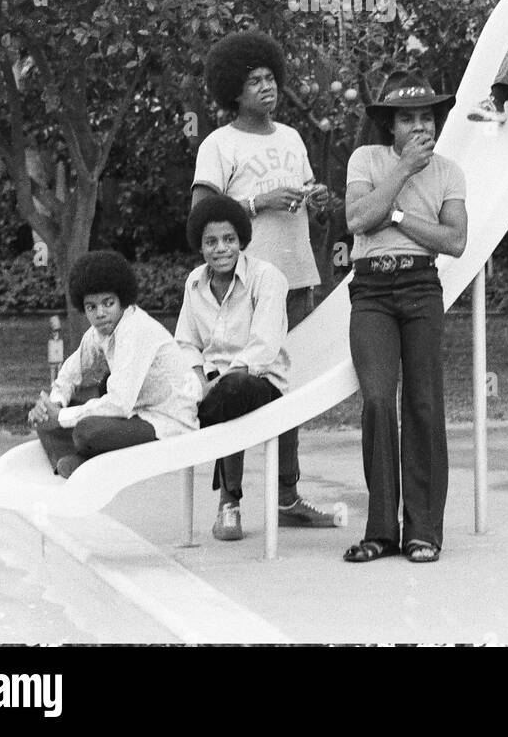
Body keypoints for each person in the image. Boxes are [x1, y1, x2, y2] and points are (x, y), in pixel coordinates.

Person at [189, 29, 337, 527]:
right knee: (235, 384)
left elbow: (309, 213)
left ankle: (287, 494)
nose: (266, 88)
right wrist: (258, 203)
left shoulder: (293, 137)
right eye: (254, 81)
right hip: (243, 288)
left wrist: (317, 205)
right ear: (234, 90)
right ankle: (229, 499)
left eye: (271, 78)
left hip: (295, 279)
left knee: (287, 387)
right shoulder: (218, 144)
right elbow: (201, 215)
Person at [343, 71, 467, 564]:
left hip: (420, 288)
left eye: (426, 117)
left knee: (423, 402)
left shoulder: (450, 172)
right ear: (390, 127)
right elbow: (355, 220)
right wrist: (402, 173)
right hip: (371, 289)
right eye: (407, 119)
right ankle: (380, 530)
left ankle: (423, 531)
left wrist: (393, 218)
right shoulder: (366, 160)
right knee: (377, 399)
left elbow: (454, 241)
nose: (419, 127)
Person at [175, 193, 291, 542]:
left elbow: (262, 348)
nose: (220, 249)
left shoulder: (266, 277)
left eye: (229, 239)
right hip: (211, 384)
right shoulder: (195, 281)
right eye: (210, 241)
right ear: (200, 245)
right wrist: (198, 381)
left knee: (232, 389)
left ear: (242, 241)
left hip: (259, 379)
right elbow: (185, 342)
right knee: (199, 390)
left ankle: (229, 503)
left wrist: (211, 387)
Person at [28, 251, 199, 479]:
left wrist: (59, 416)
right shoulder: (99, 332)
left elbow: (119, 403)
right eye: (91, 307)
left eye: (108, 303)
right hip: (134, 413)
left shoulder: (136, 329)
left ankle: (81, 461)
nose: (100, 313)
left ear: (122, 300)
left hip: (167, 419)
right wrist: (53, 405)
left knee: (86, 432)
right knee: (44, 421)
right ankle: (72, 461)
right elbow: (71, 372)